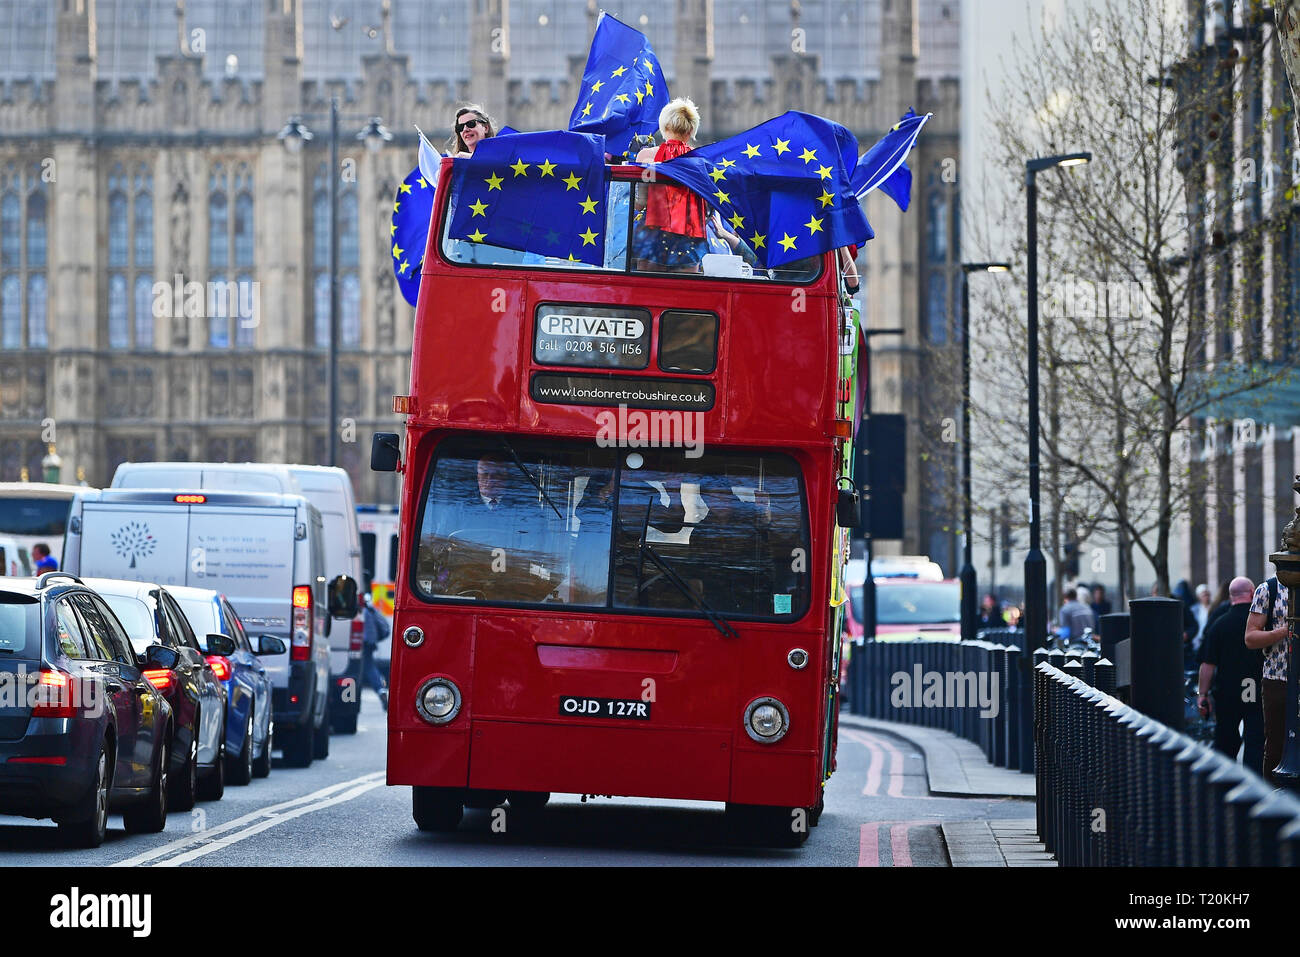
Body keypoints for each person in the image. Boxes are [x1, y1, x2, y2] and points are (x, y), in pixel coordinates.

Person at [633, 98, 708, 271]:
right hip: (689, 236)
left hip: (653, 233)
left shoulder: (646, 157)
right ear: (691, 130)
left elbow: (640, 202)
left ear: (665, 126)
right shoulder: (700, 161)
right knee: (684, 293)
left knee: (647, 290)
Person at [1197, 576, 1264, 770]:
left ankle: (1225, 784)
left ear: (1230, 596)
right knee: (1255, 740)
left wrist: (1203, 695)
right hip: (1254, 688)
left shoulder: (1219, 624)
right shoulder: (1261, 624)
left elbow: (1207, 665)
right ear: (1252, 594)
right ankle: (1253, 784)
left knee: (1225, 740)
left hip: (1227, 691)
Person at [1244, 573, 1289, 786]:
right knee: (1275, 745)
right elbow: (1250, 637)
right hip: (1277, 678)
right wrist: (1283, 632)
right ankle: (1272, 802)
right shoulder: (1268, 589)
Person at [360, 593, 390, 711]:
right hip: (370, 643)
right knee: (369, 668)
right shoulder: (370, 609)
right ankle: (380, 690)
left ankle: (349, 699)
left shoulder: (359, 611)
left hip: (360, 643)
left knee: (354, 671)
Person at [1192, 583, 1212, 650]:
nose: (1206, 597)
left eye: (1207, 594)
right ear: (1198, 596)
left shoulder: (1214, 607)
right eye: (1203, 595)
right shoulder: (1194, 609)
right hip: (1198, 641)